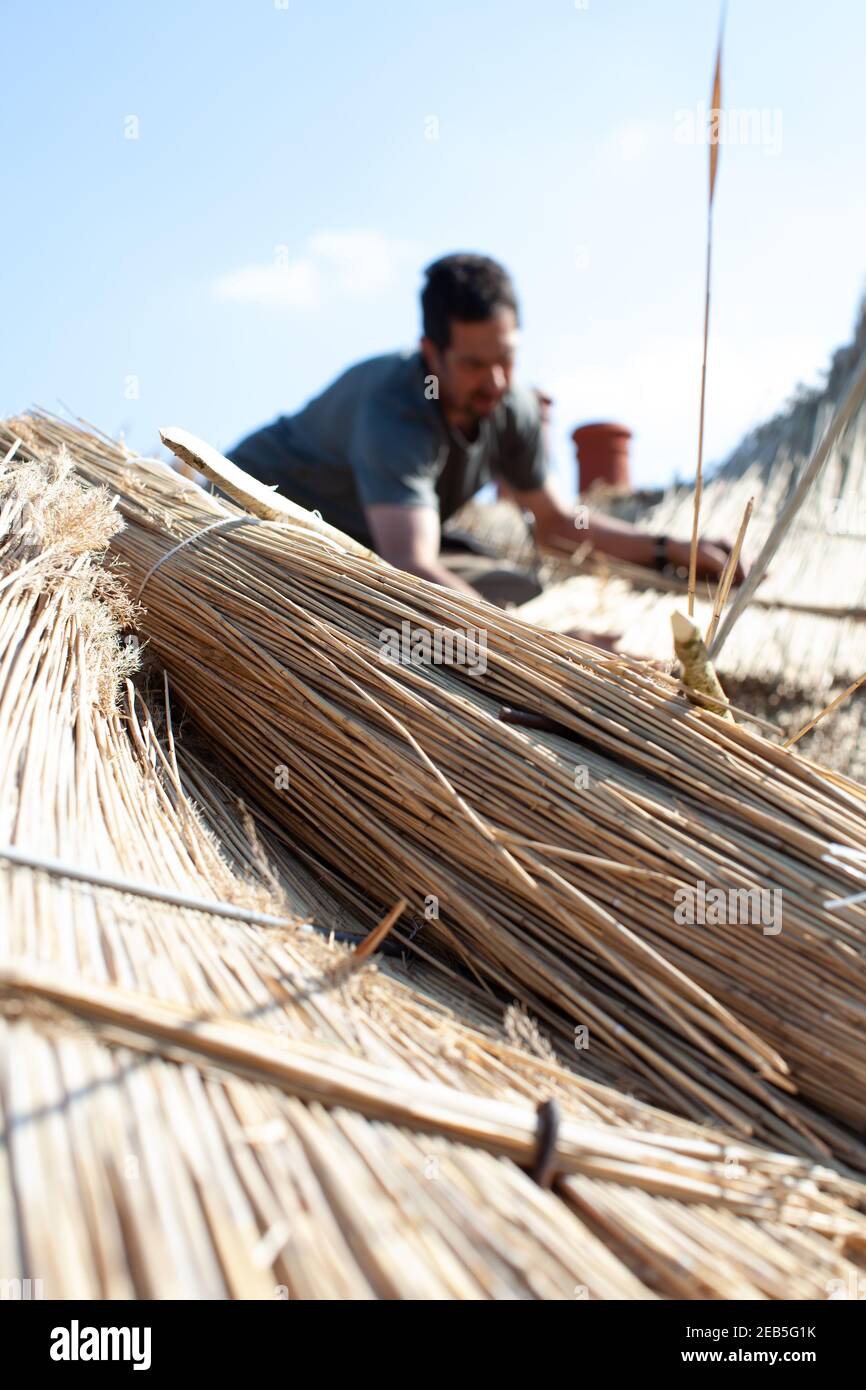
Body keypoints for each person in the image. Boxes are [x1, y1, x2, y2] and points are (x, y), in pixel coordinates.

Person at [229, 253, 744, 602]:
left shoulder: (509, 406)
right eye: (475, 364)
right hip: (254, 517)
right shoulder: (396, 410)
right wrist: (538, 654)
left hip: (371, 539)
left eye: (507, 359)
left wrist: (668, 549)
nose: (496, 381)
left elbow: (557, 525)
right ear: (433, 353)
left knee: (518, 589)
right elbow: (411, 567)